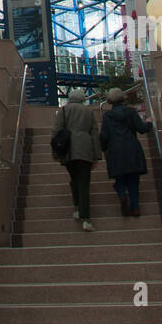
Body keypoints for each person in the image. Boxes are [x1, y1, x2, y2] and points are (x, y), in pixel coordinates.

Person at [99, 87, 154, 218]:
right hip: (132, 148)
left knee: (120, 178)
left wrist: (103, 148)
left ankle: (122, 195)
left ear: (110, 101)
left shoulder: (107, 116)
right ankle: (135, 208)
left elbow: (104, 136)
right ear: (123, 99)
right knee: (134, 180)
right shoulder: (131, 112)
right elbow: (141, 129)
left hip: (115, 150)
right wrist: (149, 123)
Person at [53, 88, 101, 232]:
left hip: (67, 150)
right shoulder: (89, 112)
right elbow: (94, 134)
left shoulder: (62, 111)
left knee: (74, 178)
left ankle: (77, 207)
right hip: (85, 149)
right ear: (82, 99)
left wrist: (56, 153)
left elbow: (56, 131)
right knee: (84, 183)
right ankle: (85, 219)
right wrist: (96, 155)